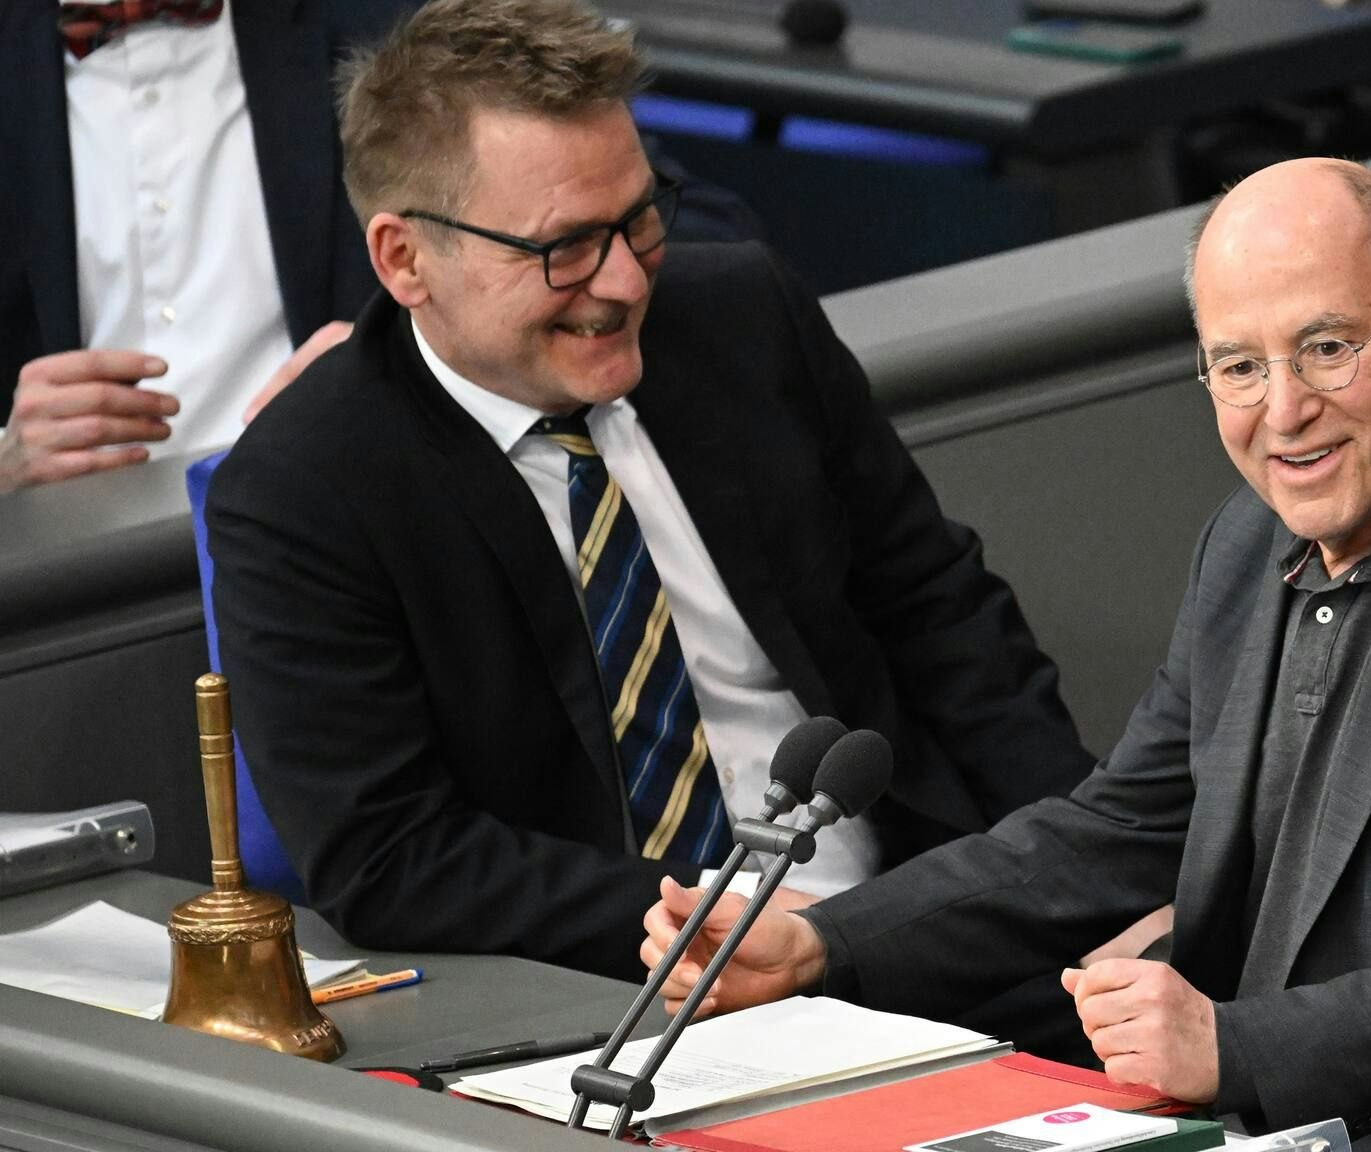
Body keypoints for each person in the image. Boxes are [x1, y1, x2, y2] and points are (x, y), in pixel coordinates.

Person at [641, 158, 1371, 1149]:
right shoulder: (1249, 538)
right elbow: (1122, 827)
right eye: (1237, 367)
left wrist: (1235, 1045)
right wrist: (818, 943)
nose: (1285, 413)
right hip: (1280, 1117)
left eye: (1325, 348)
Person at [202, 0, 1097, 991]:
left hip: (916, 927)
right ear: (405, 259)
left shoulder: (740, 317)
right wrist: (728, 921)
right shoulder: (304, 489)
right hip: (612, 985)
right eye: (567, 247)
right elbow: (393, 856)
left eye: (639, 217)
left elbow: (942, 617)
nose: (624, 280)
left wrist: (1085, 868)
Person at [0, 0, 759, 494]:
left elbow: (697, 228)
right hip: (59, 595)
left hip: (367, 529)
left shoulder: (393, 19)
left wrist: (406, 350)